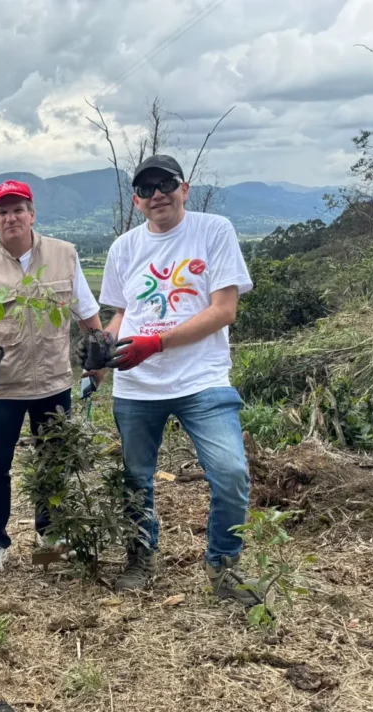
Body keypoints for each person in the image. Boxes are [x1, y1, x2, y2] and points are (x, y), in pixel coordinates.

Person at [89, 154, 259, 606]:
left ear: (185, 188)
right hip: (136, 386)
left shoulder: (213, 230)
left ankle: (223, 566)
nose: (157, 193)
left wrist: (156, 343)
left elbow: (224, 310)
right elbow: (123, 313)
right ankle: (140, 556)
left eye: (165, 183)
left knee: (230, 472)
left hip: (202, 379)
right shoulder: (124, 247)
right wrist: (101, 347)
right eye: (146, 188)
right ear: (137, 200)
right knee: (135, 479)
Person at [0, 180, 104, 574]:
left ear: (32, 214)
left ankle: (50, 538)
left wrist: (98, 358)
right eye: (2, 212)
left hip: (53, 381)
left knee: (52, 461)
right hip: (2, 385)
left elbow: (87, 313)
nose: (11, 217)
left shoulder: (64, 256)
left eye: (18, 209)